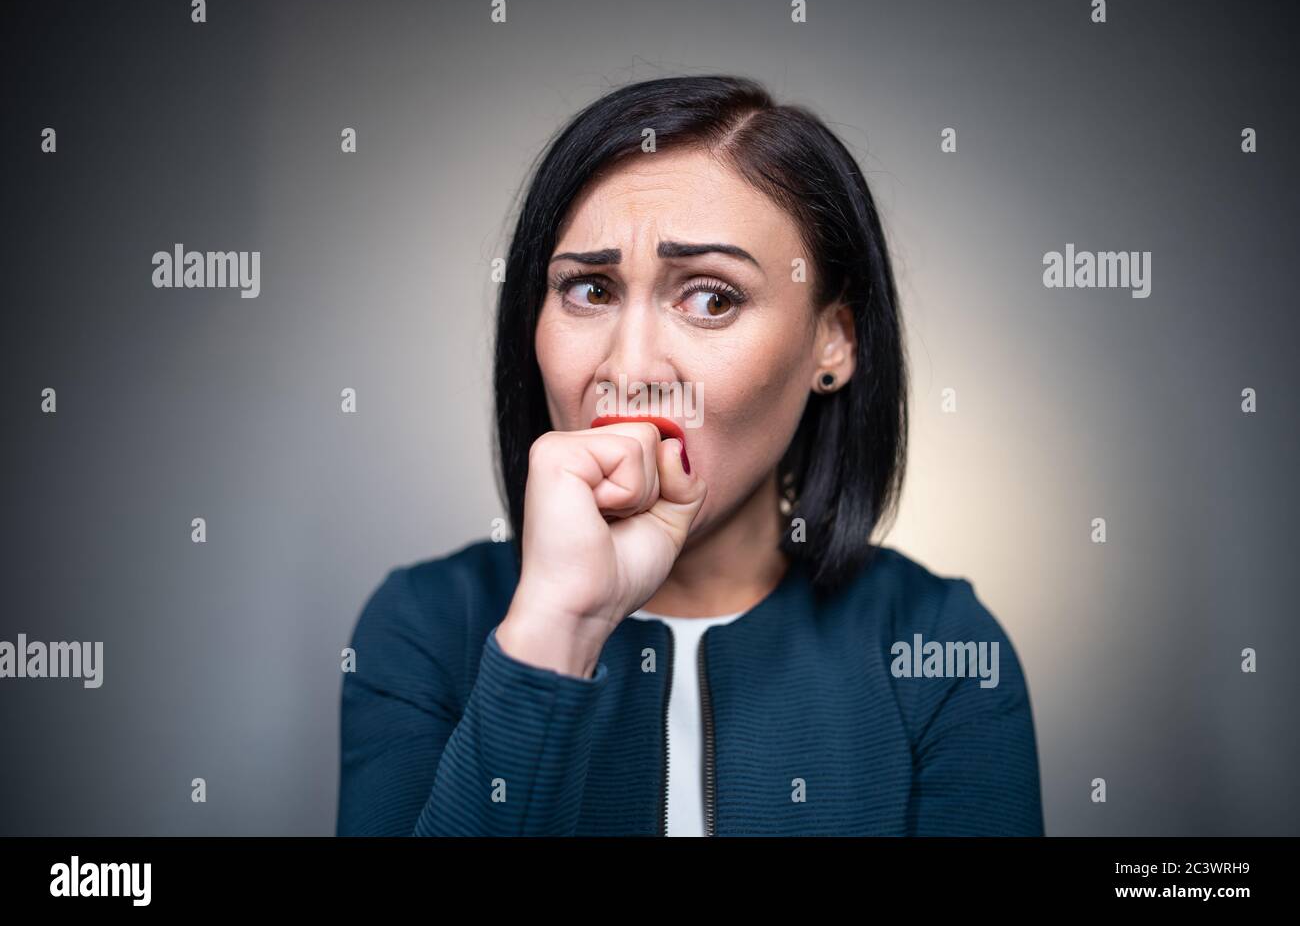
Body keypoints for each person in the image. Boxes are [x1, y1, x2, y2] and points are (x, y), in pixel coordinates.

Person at [336, 75, 1044, 836]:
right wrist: (560, 628)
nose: (632, 369)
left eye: (711, 297)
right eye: (590, 292)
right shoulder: (426, 626)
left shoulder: (937, 646)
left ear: (832, 341)